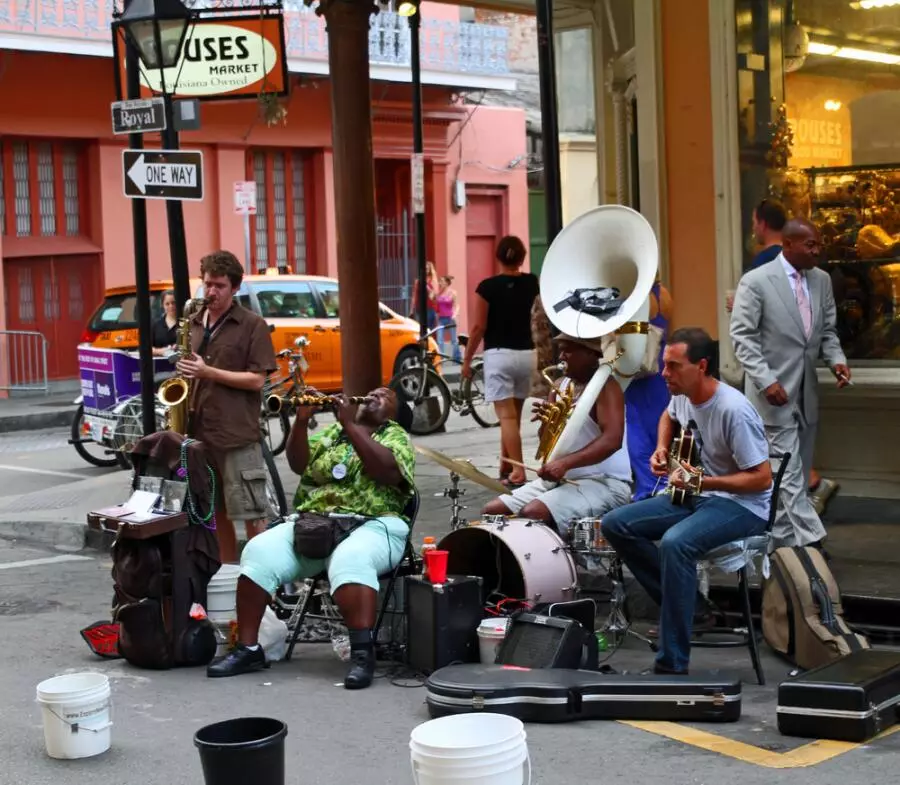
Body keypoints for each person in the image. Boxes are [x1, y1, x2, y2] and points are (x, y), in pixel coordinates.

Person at [206, 388, 415, 689]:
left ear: (396, 413)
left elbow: (385, 471)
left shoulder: (396, 436)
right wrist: (301, 422)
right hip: (317, 523)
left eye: (385, 396)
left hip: (374, 524)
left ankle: (362, 655)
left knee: (351, 558)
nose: (373, 395)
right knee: (259, 550)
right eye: (371, 392)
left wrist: (350, 426)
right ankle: (249, 649)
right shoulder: (333, 433)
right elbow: (299, 464)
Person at [602, 328, 772, 676]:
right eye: (665, 365)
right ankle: (691, 606)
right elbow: (669, 415)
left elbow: (761, 478)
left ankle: (672, 664)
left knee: (676, 543)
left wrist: (702, 481)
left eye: (674, 366)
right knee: (615, 524)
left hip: (743, 506)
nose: (665, 374)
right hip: (698, 495)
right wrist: (662, 448)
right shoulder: (682, 393)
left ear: (702, 366)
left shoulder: (733, 410)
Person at [730, 219, 850, 548]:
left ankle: (782, 549)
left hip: (806, 395)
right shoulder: (756, 281)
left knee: (787, 476)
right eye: (810, 245)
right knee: (790, 474)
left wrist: (836, 359)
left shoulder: (822, 281)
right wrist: (766, 379)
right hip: (772, 397)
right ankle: (812, 542)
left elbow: (826, 331)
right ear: (788, 246)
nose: (818, 251)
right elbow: (742, 337)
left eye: (819, 245)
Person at [176, 251, 277, 564]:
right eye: (207, 284)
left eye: (219, 286)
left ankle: (263, 585)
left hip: (236, 435)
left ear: (235, 288)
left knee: (252, 515)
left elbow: (257, 380)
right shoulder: (193, 323)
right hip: (200, 434)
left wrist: (209, 372)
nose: (211, 292)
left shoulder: (252, 326)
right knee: (214, 515)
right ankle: (228, 578)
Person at [482, 335, 631, 536]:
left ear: (590, 353)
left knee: (533, 513)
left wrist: (564, 464)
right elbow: (548, 445)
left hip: (605, 483)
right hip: (563, 480)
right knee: (492, 511)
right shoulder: (560, 386)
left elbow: (612, 440)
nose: (561, 356)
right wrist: (547, 423)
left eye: (567, 350)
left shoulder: (607, 386)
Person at [462, 236, 539, 488]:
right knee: (514, 415)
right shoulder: (532, 283)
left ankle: (518, 469)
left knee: (506, 417)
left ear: (497, 257)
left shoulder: (487, 287)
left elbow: (478, 327)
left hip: (498, 355)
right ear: (523, 257)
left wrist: (466, 360)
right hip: (528, 354)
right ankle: (506, 463)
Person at [624, 278, 673, 500]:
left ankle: (649, 488)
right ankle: (664, 482)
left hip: (638, 376)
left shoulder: (635, 297)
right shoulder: (664, 294)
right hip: (659, 370)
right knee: (661, 429)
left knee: (638, 432)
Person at [436, 275, 461, 362]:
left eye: (442, 281)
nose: (440, 283)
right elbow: (437, 307)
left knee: (454, 340)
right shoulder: (439, 293)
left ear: (446, 283)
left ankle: (457, 358)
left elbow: (457, 306)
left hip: (450, 318)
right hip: (441, 319)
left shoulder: (453, 293)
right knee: (439, 340)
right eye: (440, 281)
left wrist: (455, 315)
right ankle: (441, 358)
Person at [411, 261, 439, 330]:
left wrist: (427, 286)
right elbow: (414, 296)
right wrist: (411, 309)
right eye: (424, 268)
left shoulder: (433, 280)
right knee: (419, 328)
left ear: (430, 270)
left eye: (427, 269)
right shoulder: (417, 281)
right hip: (419, 308)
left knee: (428, 329)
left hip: (429, 308)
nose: (425, 270)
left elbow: (434, 296)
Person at [151, 290, 178, 356]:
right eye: (167, 304)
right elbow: (147, 349)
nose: (171, 306)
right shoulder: (156, 325)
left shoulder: (184, 323)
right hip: (160, 364)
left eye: (173, 303)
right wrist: (162, 351)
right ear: (163, 305)